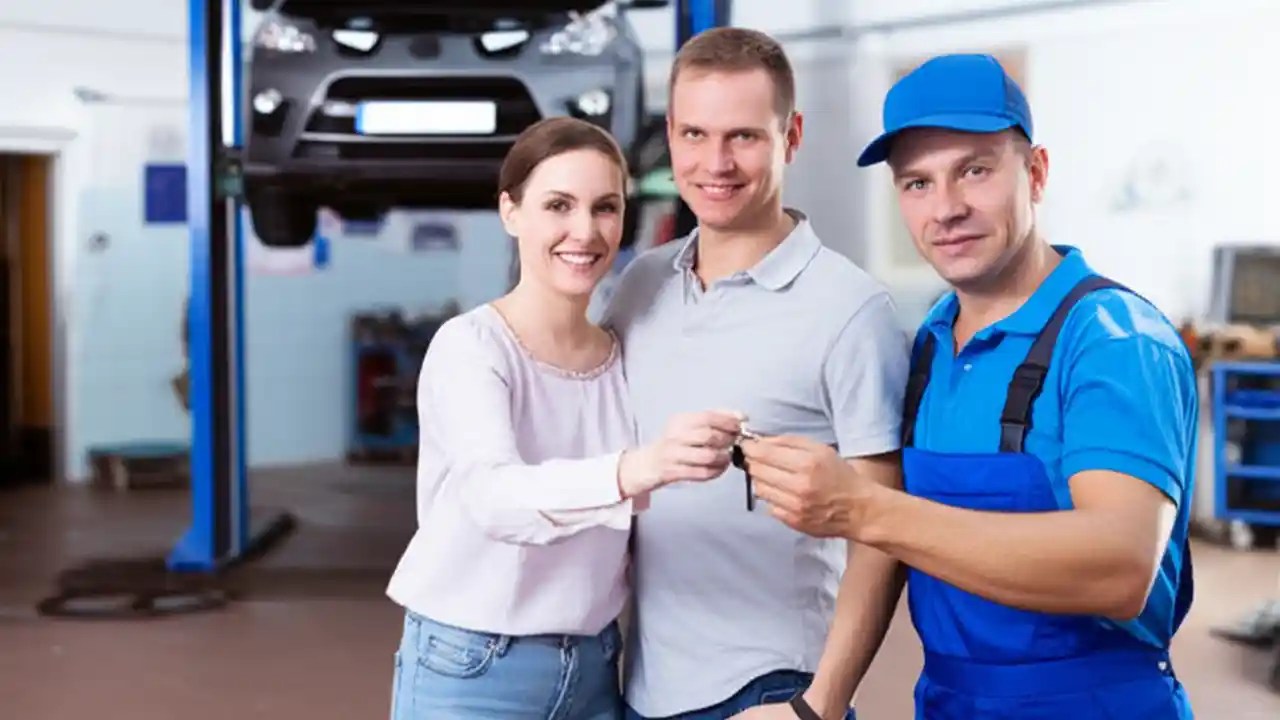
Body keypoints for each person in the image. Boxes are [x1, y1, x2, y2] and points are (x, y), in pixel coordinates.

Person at [741, 53, 1198, 718]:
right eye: (917, 183)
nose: (946, 208)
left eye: (974, 172)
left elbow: (1119, 567)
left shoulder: (1112, 340)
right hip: (951, 699)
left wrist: (864, 510)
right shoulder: (931, 342)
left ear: (1036, 173)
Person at [384, 117, 744, 720]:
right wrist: (638, 469)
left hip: (596, 666)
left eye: (605, 207)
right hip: (473, 668)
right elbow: (493, 497)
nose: (585, 231)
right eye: (558, 205)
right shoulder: (472, 347)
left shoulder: (620, 354)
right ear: (510, 212)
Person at [602, 28, 910, 720]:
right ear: (671, 137)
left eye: (743, 136)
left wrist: (820, 706)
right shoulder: (641, 286)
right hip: (640, 686)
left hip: (768, 692)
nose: (715, 162)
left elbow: (880, 529)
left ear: (790, 136)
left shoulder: (850, 310)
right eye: (694, 134)